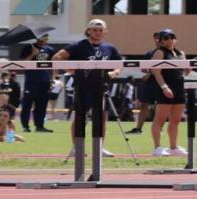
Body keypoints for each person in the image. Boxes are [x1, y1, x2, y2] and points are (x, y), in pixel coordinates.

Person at [52, 18, 123, 159]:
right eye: (95, 30)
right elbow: (56, 58)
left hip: (102, 86)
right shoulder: (78, 46)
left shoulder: (110, 48)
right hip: (83, 87)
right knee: (80, 118)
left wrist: (114, 73)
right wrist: (72, 70)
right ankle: (77, 148)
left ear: (105, 32)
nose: (98, 32)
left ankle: (99, 147)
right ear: (88, 31)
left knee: (102, 118)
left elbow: (119, 64)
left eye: (100, 30)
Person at [146, 27, 192, 158]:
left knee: (176, 119)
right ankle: (157, 147)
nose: (170, 40)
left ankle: (173, 147)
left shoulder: (180, 53)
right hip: (165, 86)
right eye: (166, 38)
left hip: (179, 87)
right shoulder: (160, 52)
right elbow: (155, 71)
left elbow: (186, 71)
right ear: (161, 40)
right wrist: (164, 87)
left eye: (172, 37)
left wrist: (189, 67)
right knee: (160, 119)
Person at [21, 34, 54, 132]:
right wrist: (32, 54)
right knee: (27, 105)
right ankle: (25, 126)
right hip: (31, 81)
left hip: (44, 81)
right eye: (43, 37)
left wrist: (52, 79)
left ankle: (40, 126)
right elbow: (22, 63)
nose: (45, 39)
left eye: (46, 38)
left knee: (42, 105)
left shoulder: (49, 50)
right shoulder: (29, 47)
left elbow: (53, 65)